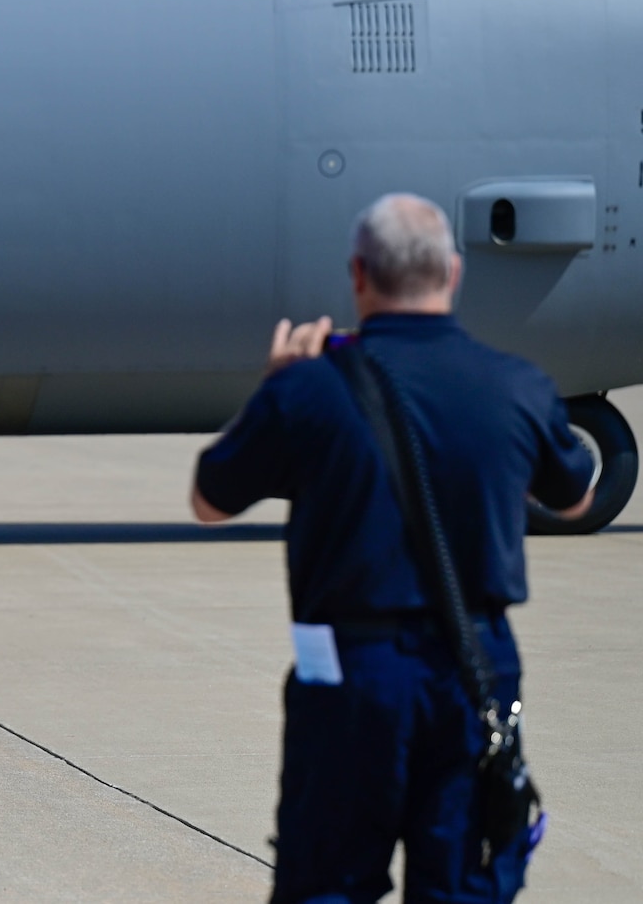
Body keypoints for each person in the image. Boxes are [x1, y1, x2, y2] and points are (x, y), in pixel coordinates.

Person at [191, 194, 597, 902]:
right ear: (454, 272)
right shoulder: (517, 386)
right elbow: (577, 495)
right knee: (463, 885)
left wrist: (276, 385)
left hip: (351, 673)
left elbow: (210, 499)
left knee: (328, 883)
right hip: (474, 667)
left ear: (357, 274)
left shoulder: (308, 390)